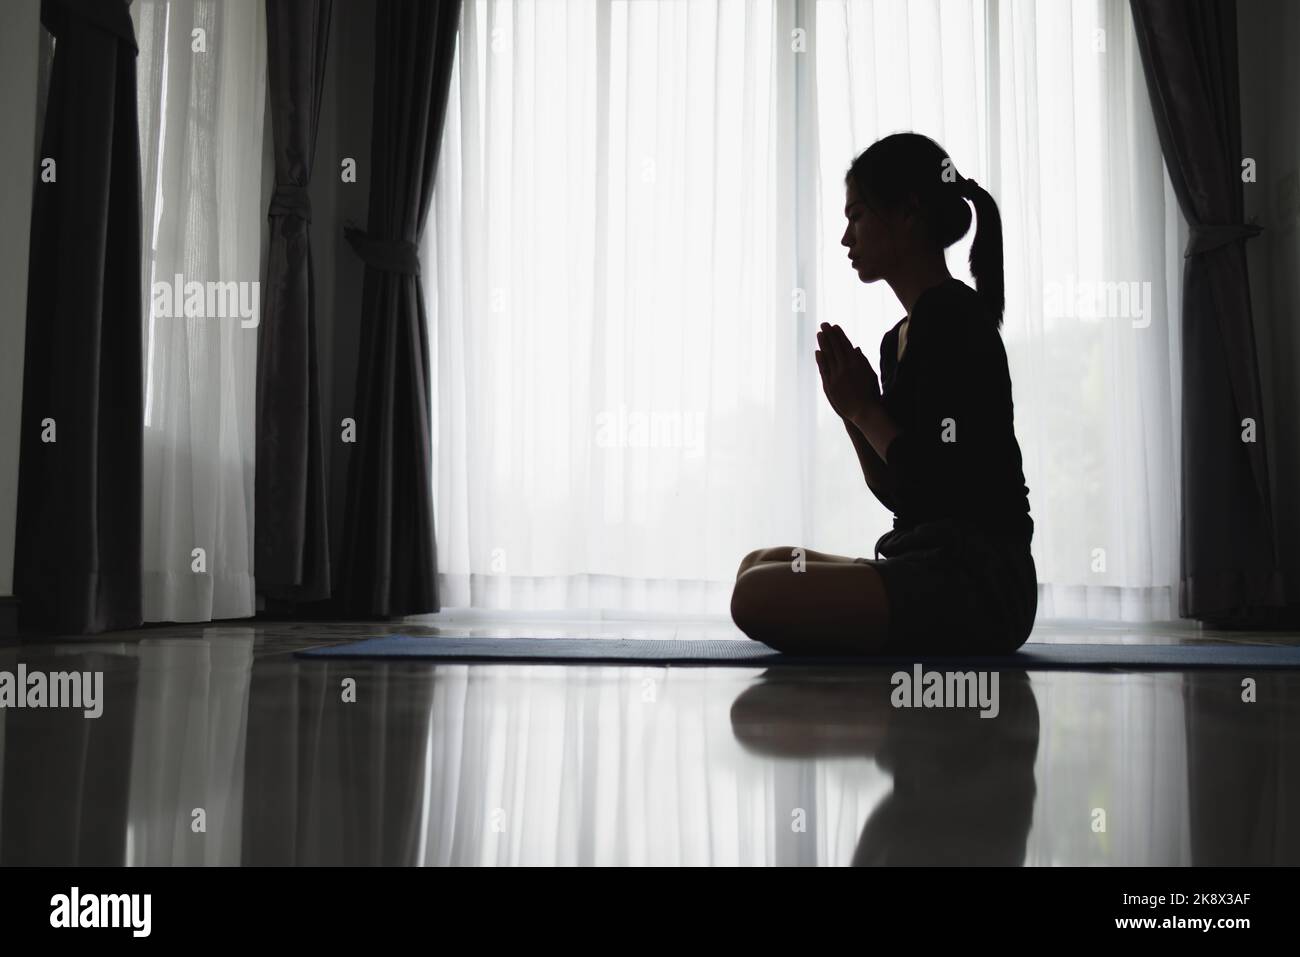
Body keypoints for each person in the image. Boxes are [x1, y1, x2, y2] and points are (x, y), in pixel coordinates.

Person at [730, 132, 1037, 656]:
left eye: (857, 216)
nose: (847, 238)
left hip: (978, 581)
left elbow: (932, 485)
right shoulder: (896, 340)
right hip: (922, 559)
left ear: (908, 212)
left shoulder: (954, 318)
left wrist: (863, 407)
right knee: (758, 563)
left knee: (756, 594)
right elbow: (899, 493)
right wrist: (851, 412)